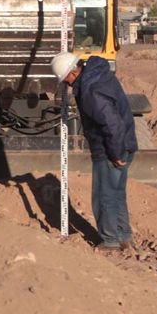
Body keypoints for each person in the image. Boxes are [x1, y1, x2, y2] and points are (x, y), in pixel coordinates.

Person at [51, 51, 137, 251]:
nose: (66, 85)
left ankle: (110, 240)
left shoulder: (91, 91)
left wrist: (115, 154)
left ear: (73, 73)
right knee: (116, 194)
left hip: (109, 149)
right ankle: (123, 236)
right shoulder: (99, 77)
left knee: (104, 196)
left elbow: (112, 124)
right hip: (123, 144)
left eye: (65, 80)